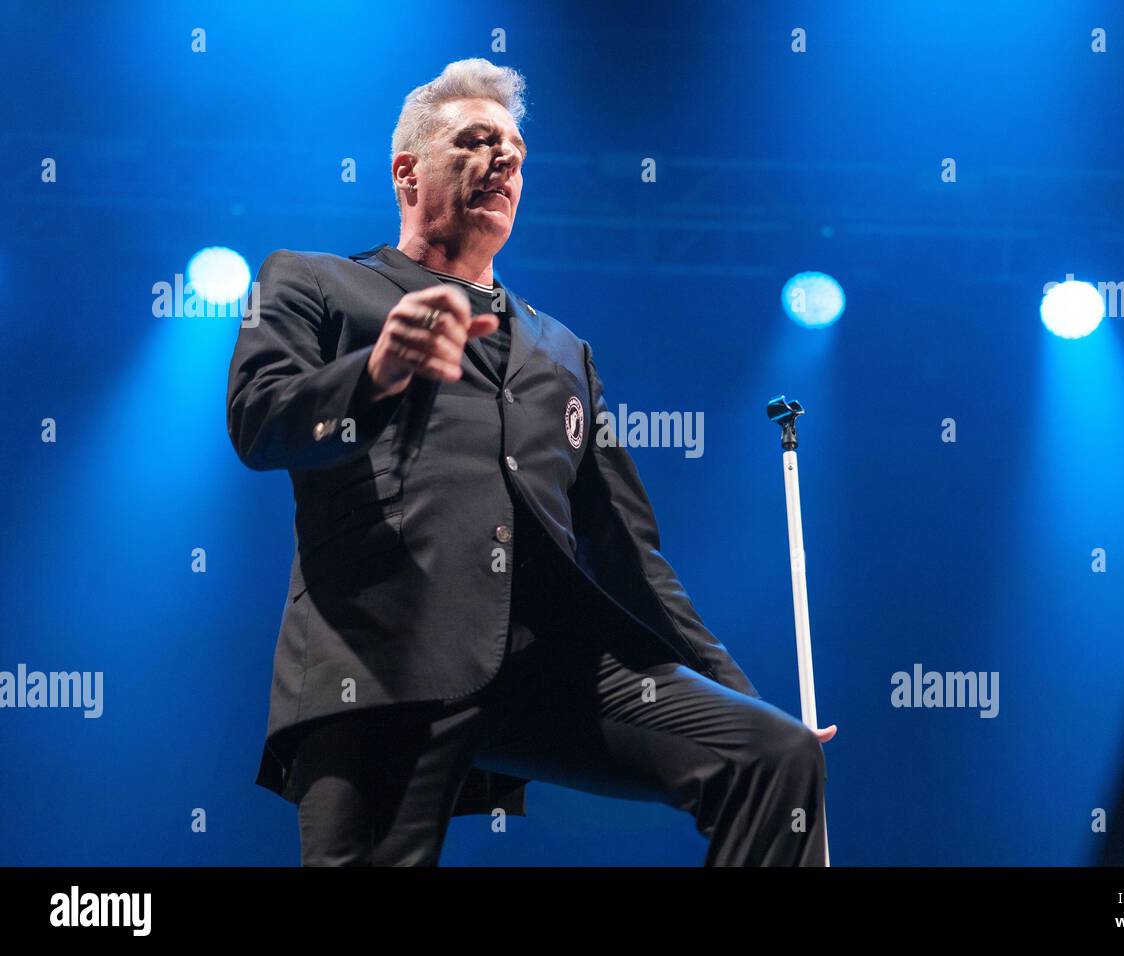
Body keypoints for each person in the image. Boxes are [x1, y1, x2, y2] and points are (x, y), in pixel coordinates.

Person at [226, 58, 834, 866]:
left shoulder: (562, 351)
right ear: (407, 171)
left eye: (513, 150)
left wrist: (736, 692)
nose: (504, 161)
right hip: (381, 661)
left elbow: (629, 555)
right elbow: (261, 423)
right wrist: (375, 373)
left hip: (541, 664)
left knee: (774, 755)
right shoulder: (315, 282)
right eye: (475, 142)